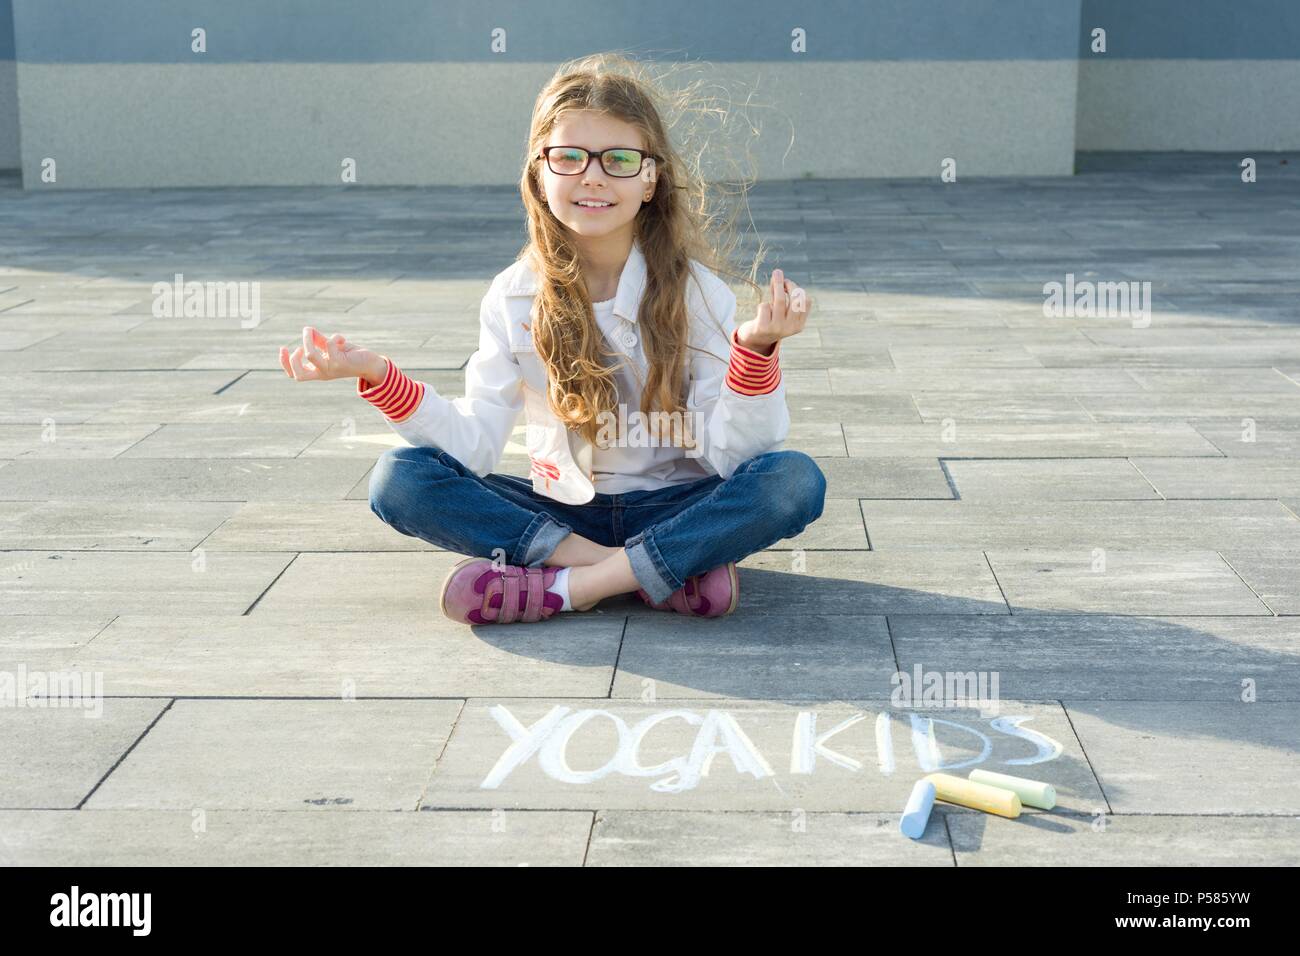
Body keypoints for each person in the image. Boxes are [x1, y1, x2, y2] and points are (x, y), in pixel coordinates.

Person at [278, 54, 826, 625]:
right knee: (401, 478)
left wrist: (755, 351)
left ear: (649, 179)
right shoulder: (514, 296)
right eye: (568, 157)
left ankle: (564, 589)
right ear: (540, 174)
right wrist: (376, 376)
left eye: (618, 159)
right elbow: (474, 444)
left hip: (674, 505)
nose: (592, 176)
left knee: (791, 480)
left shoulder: (698, 293)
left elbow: (737, 455)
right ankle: (652, 573)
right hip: (564, 514)